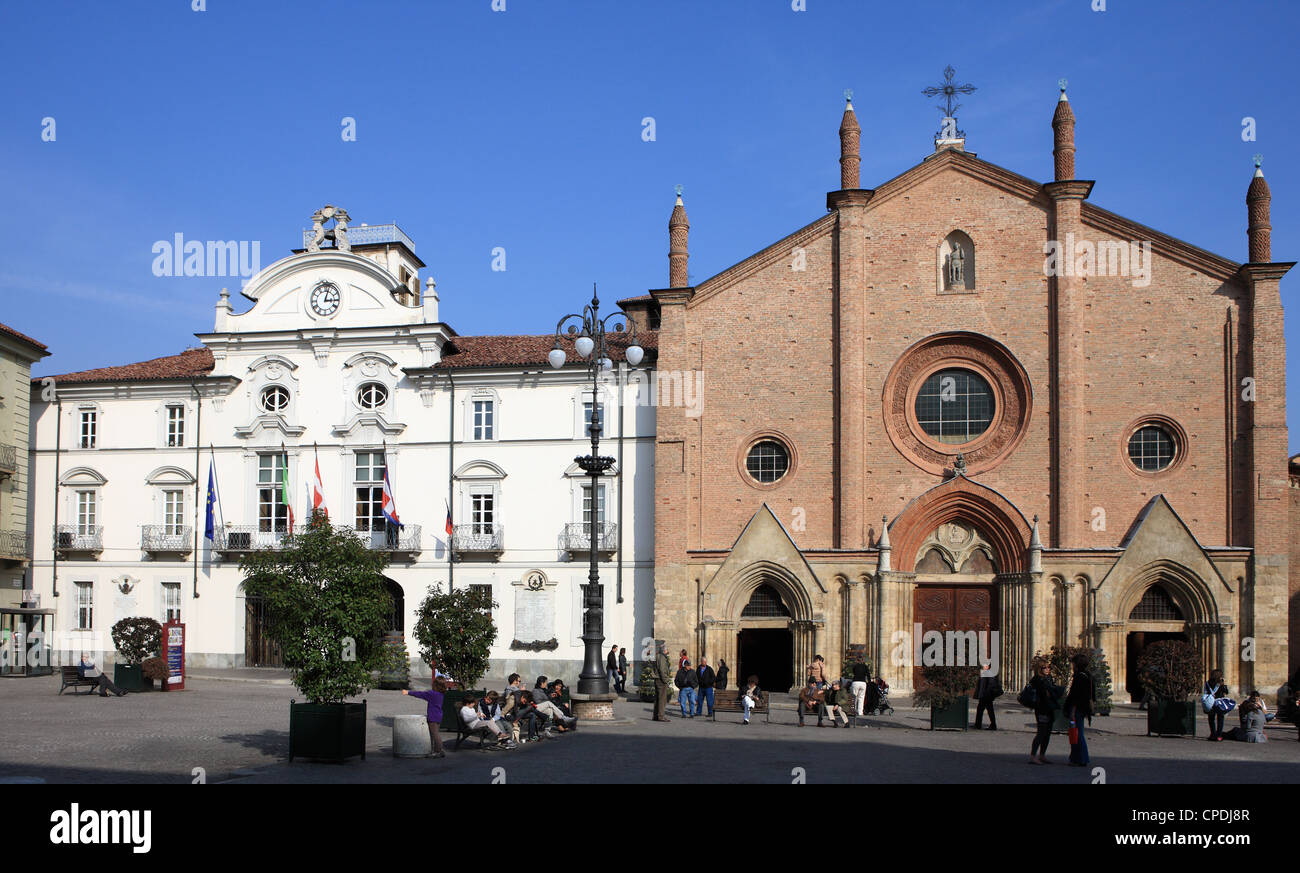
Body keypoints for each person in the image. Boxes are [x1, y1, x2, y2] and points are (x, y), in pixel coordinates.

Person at [402, 676, 448, 757]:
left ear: (435, 685)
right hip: (439, 715)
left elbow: (420, 694)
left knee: (435, 734)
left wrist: (408, 692)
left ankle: (439, 751)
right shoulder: (441, 694)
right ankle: (436, 750)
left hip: (433, 716)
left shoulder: (432, 694)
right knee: (435, 733)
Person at [1028, 661, 1061, 765]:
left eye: (1048, 667)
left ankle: (1042, 755)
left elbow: (1051, 692)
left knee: (1047, 733)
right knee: (1041, 732)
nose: (1047, 669)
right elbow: (1043, 693)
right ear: (1039, 669)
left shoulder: (1049, 679)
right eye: (1044, 668)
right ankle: (1033, 756)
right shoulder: (1037, 680)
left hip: (1049, 708)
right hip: (1041, 709)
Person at [1064, 654, 1094, 766]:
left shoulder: (1080, 677)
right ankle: (1075, 757)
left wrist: (1072, 711)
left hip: (1076, 710)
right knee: (1075, 733)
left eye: (1073, 663)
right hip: (1082, 709)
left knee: (1076, 734)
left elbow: (1076, 696)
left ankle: (1081, 758)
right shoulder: (1088, 675)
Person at [1203, 669, 1230, 742]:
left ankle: (1212, 734)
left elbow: (1205, 692)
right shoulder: (1220, 683)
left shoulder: (1208, 683)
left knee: (1211, 719)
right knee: (1220, 719)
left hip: (1211, 702)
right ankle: (1219, 735)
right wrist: (1223, 684)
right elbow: (1226, 692)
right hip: (1219, 703)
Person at [973, 664, 1002, 730]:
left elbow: (990, 685)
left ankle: (979, 725)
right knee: (987, 710)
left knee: (982, 709)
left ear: (988, 667)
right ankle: (991, 725)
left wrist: (985, 694)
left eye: (985, 665)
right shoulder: (985, 673)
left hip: (986, 695)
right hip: (985, 695)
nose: (983, 666)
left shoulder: (989, 673)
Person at [652, 642, 672, 722]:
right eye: (667, 650)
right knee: (662, 699)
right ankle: (661, 716)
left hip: (658, 679)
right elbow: (662, 670)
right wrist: (666, 680)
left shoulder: (658, 656)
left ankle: (656, 715)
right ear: (664, 650)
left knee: (658, 698)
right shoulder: (662, 657)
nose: (668, 651)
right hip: (661, 680)